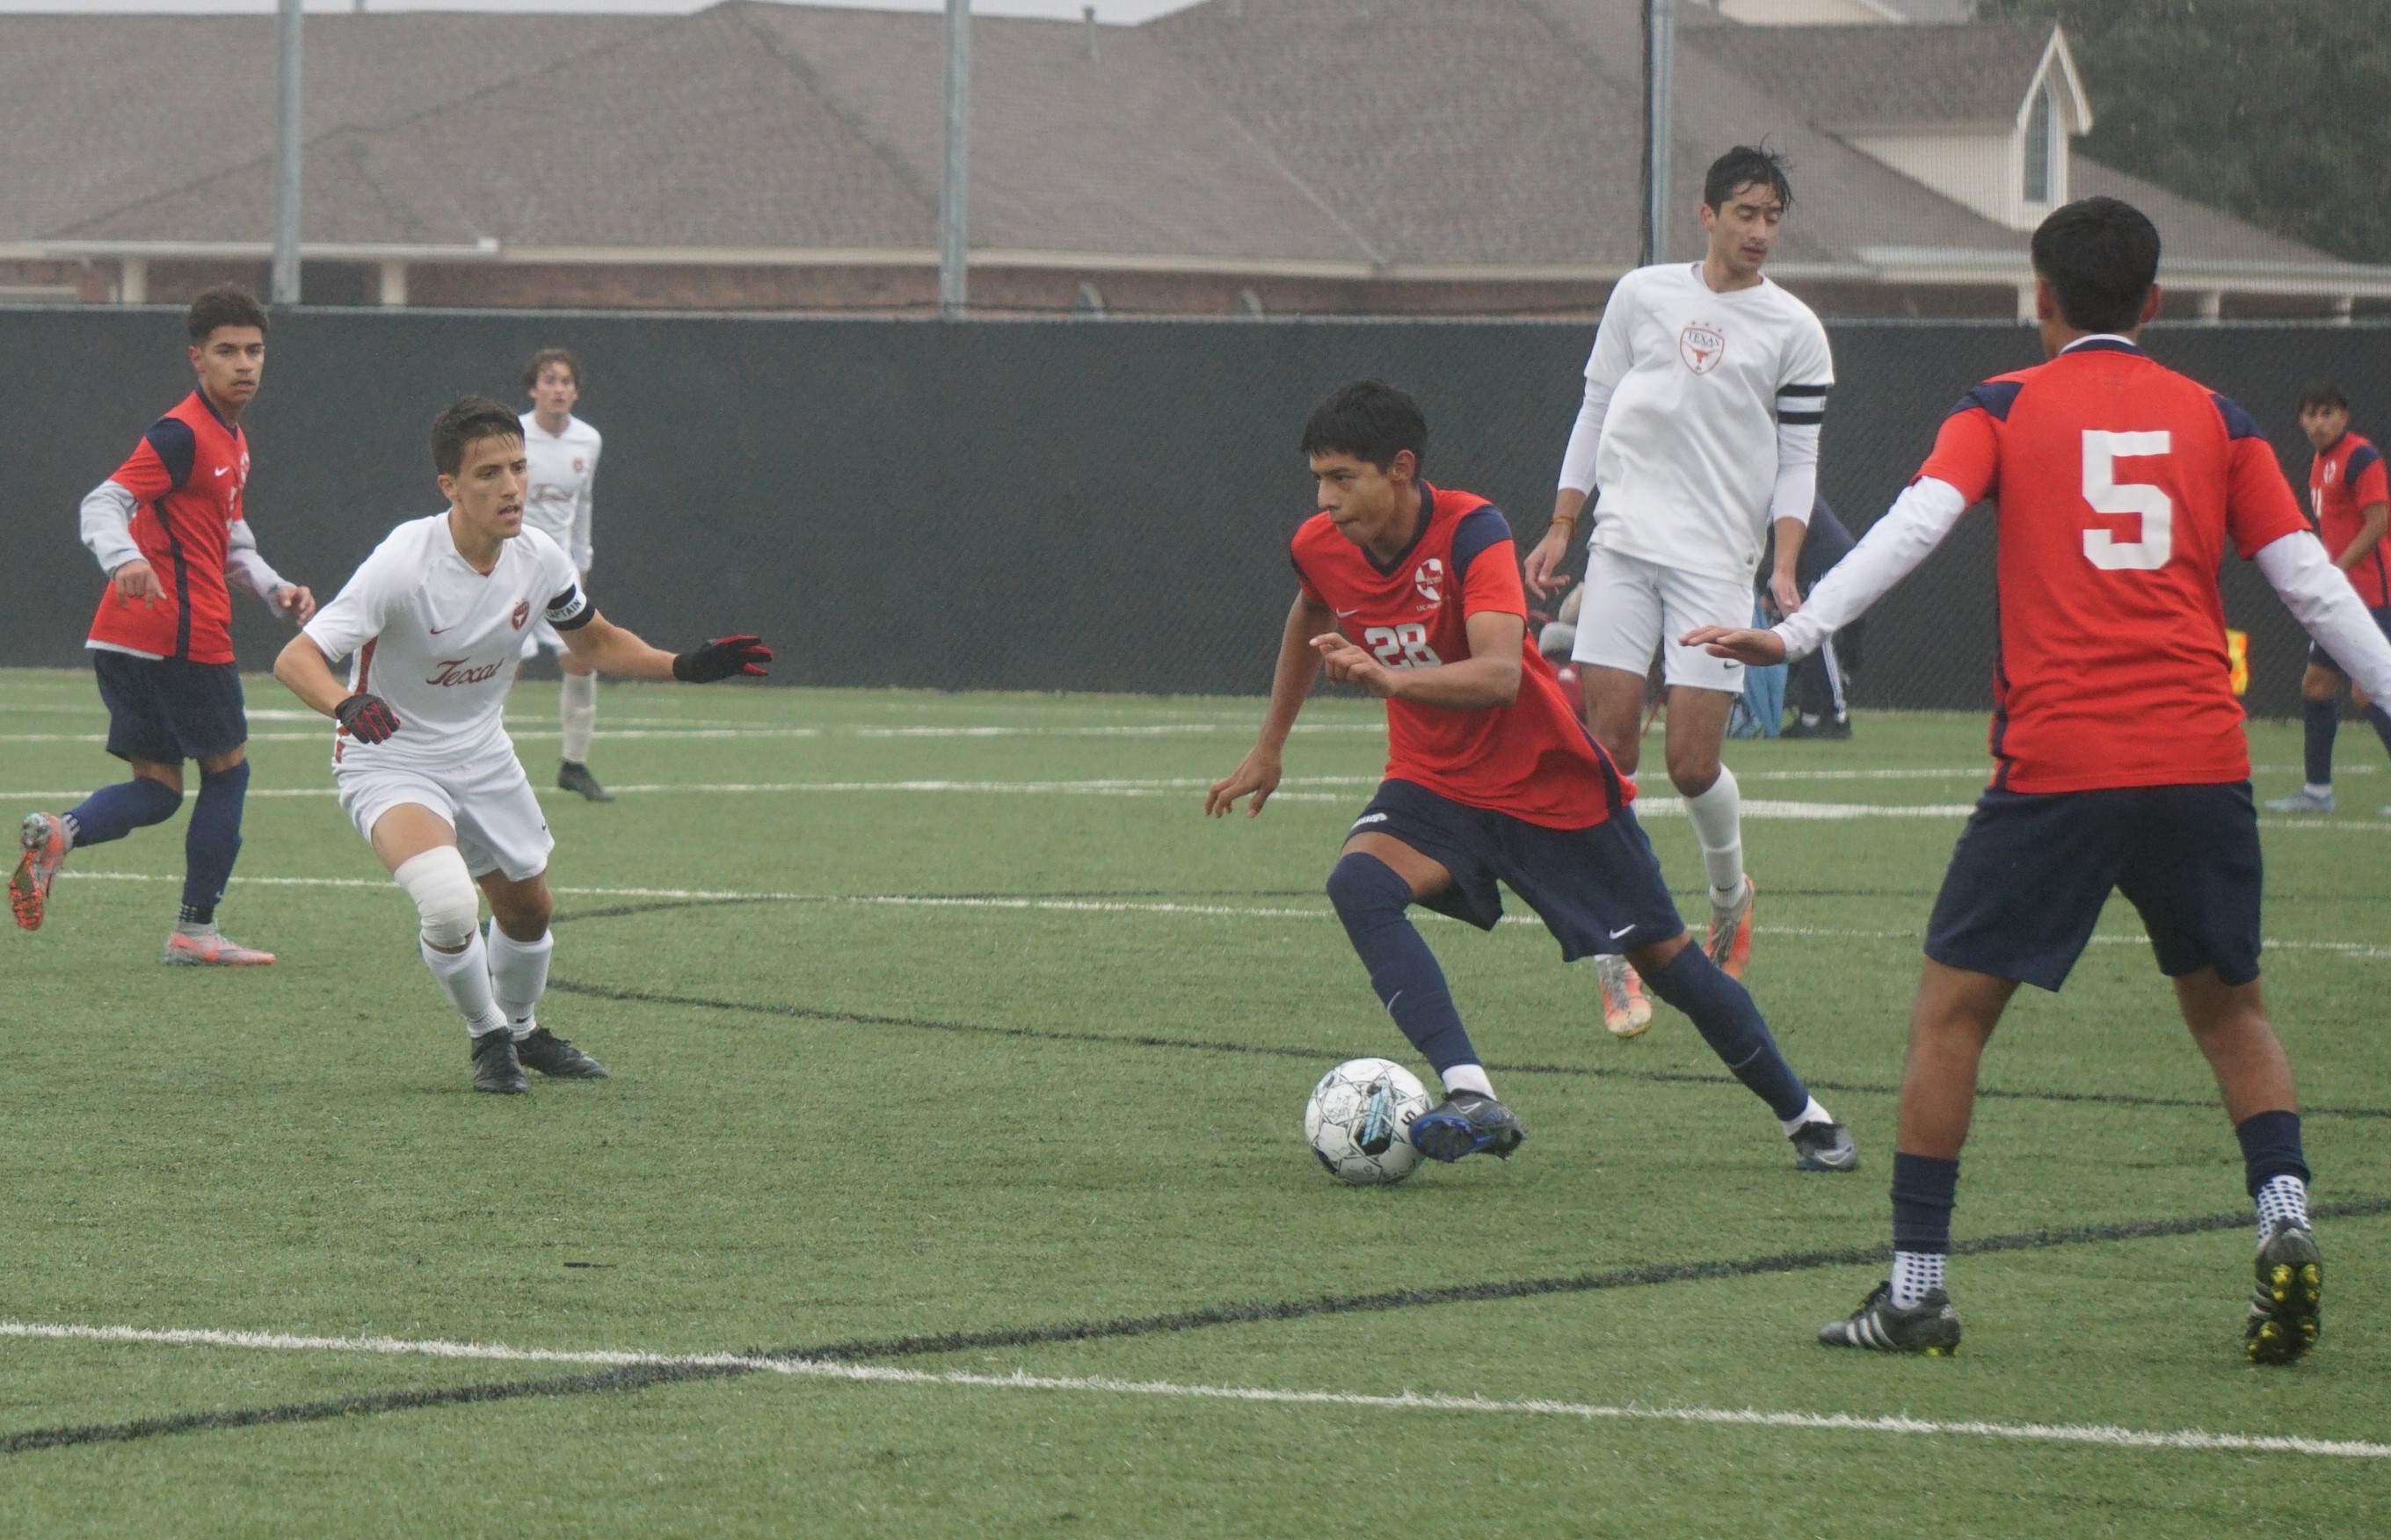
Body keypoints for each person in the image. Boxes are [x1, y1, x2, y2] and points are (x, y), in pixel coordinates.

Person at [1687, 197, 2391, 1362]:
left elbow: (1917, 525)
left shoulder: (2005, 404)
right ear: (2155, 305)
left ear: (2040, 297)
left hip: (2062, 763)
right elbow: (2315, 584)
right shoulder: (2220, 419)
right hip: (2200, 758)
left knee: (1951, 1016)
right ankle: (2284, 1218)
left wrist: (1800, 632)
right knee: (2233, 1012)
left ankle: (1915, 1292)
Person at [1208, 381, 1855, 1173]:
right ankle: (1471, 1092)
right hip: (1435, 783)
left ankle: (1805, 1116)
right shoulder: (1319, 543)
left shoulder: (1472, 530)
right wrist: (1270, 745)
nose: (1325, 498)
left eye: (1344, 477)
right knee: (1359, 885)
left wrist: (1391, 679)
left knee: (1669, 964)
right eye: (1318, 477)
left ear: (1401, 469)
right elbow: (1311, 610)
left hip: (1550, 790)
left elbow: (1499, 676)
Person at [273, 397, 770, 1093]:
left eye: (518, 468)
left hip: (482, 754)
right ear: (450, 487)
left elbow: (593, 641)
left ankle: (526, 1028)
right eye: (488, 474)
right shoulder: (403, 562)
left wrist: (684, 664)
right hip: (391, 757)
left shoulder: (539, 558)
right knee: (447, 902)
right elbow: (297, 658)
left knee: (529, 909)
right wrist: (345, 703)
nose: (511, 487)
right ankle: (488, 1038)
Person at [1523, 144, 1835, 1038]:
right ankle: (1615, 949)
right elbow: (1592, 408)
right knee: (1602, 760)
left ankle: (1730, 897)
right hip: (1621, 549)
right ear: (1706, 216)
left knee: (1690, 765)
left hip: (1713, 564)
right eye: (1744, 213)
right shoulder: (1641, 296)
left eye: (1772, 216)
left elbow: (1797, 460)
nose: (1760, 232)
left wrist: (1780, 565)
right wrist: (1560, 525)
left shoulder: (1795, 330)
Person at [11, 285, 315, 962]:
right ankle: (195, 931)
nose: (244, 364)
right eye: (227, 351)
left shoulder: (230, 439)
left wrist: (275, 589)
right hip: (182, 635)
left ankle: (60, 835)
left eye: (255, 351)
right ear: (196, 359)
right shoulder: (181, 433)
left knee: (157, 789)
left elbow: (229, 534)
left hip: (124, 638)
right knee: (227, 775)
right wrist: (123, 557)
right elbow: (103, 502)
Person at [2263, 383, 2391, 815]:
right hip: (2342, 596)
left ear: (2344, 416)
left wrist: (2336, 570)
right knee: (2317, 688)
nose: (2318, 423)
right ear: (2300, 420)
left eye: (2327, 413)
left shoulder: (2360, 456)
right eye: (2311, 414)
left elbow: (2379, 520)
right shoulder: (2321, 462)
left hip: (2372, 592)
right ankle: (2318, 792)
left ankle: (2318, 791)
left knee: (2370, 692)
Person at [514, 348, 612, 803]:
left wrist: (582, 561)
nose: (558, 389)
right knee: (500, 665)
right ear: (533, 388)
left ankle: (574, 765)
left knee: (583, 658)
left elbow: (583, 504)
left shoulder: (588, 441)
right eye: (549, 380)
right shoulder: (512, 435)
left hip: (561, 573)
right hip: (512, 568)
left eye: (566, 382)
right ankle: (471, 759)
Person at [1779, 498, 1860, 739]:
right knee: (1804, 635)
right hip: (1815, 566)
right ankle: (1811, 717)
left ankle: (1837, 716)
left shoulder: (1785, 495)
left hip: (1831, 564)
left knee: (1816, 635)